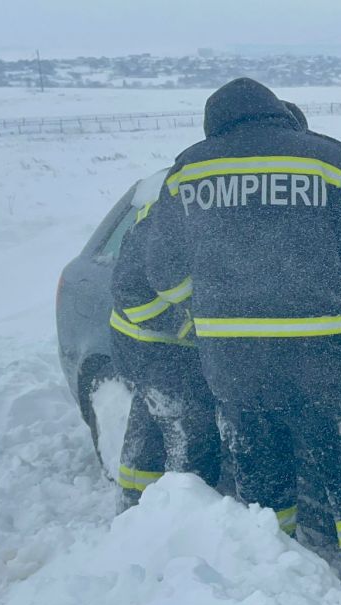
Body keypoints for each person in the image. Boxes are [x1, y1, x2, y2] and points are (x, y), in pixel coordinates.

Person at [143, 78, 341, 605]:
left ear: (214, 124)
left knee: (262, 478)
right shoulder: (324, 156)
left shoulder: (186, 170)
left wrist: (206, 306)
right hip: (319, 352)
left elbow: (161, 265)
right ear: (276, 112)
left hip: (234, 360)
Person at [108, 173, 221, 511]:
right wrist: (186, 323)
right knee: (190, 435)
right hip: (151, 343)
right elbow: (129, 288)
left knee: (148, 430)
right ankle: (181, 517)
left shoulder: (201, 200)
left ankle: (132, 505)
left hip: (162, 346)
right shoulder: (170, 212)